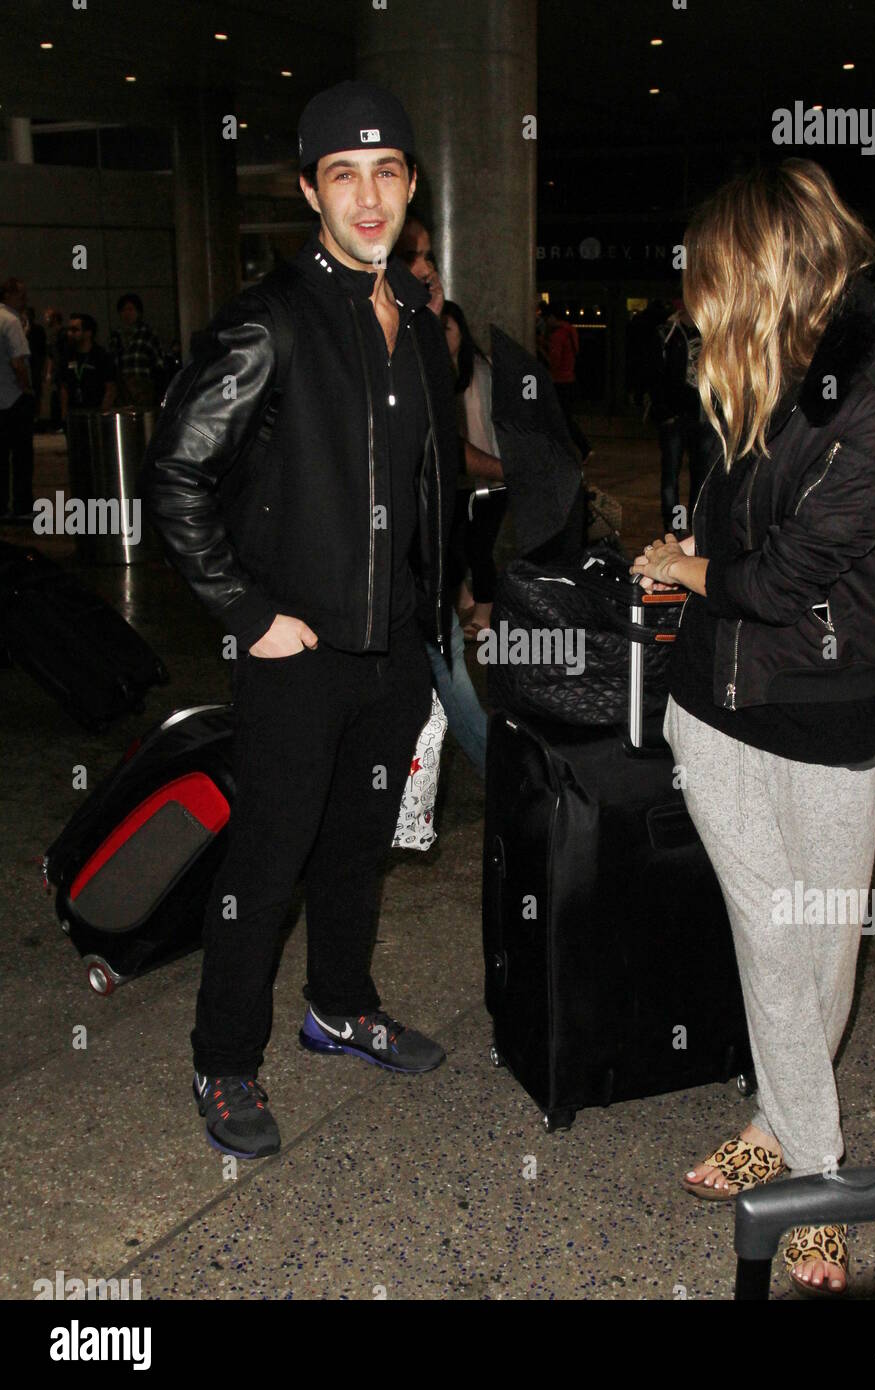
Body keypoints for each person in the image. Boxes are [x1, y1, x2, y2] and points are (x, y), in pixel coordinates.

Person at [632, 160, 875, 1295]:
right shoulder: (745, 376)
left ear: (769, 272)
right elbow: (740, 567)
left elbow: (786, 574)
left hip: (831, 707)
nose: (696, 301)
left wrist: (686, 563)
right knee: (770, 937)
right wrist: (688, 567)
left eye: (712, 277)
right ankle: (816, 1181)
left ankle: (773, 1119)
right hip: (713, 707)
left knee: (824, 949)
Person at [141, 80, 460, 1159]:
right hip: (299, 653)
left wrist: (443, 594)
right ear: (310, 191)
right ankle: (224, 1060)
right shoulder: (268, 319)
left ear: (411, 186)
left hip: (393, 650)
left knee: (356, 851)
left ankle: (339, 1007)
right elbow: (175, 473)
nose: (367, 198)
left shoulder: (416, 312)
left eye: (386, 174)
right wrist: (248, 611)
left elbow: (426, 476)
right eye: (343, 176)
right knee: (265, 867)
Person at [394, 220, 493, 777]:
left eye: (429, 256)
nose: (429, 270)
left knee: (445, 661)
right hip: (391, 562)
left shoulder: (419, 337)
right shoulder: (385, 342)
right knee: (439, 665)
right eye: (414, 257)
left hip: (421, 555)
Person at [442, 299, 507, 642]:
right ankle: (466, 597)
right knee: (455, 546)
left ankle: (486, 615)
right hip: (462, 481)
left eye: (446, 328)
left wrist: (499, 469)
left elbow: (482, 431)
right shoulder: (443, 372)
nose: (440, 335)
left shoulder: (480, 371)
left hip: (489, 481)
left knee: (479, 548)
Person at [650, 300, 713, 534]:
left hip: (703, 415)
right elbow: (656, 375)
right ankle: (675, 528)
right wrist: (664, 412)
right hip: (676, 416)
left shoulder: (709, 331)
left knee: (701, 475)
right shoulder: (668, 333)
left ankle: (695, 527)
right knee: (671, 475)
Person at [0, 277, 35, 522]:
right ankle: (22, 506)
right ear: (10, 295)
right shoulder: (11, 321)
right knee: (22, 456)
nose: (25, 300)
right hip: (13, 397)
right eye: (22, 295)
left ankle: (1, 507)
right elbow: (17, 361)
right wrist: (27, 388)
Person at [544, 303, 591, 461]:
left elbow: (554, 361)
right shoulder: (571, 331)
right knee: (565, 418)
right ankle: (579, 448)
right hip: (570, 378)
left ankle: (582, 447)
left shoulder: (557, 336)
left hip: (559, 381)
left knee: (561, 419)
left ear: (552, 317)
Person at [109, 293, 164, 411]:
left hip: (143, 387)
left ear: (138, 312)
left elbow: (158, 364)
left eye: (130, 309)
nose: (127, 314)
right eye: (123, 310)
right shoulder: (116, 336)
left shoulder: (148, 333)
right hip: (123, 390)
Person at [59, 314, 117, 418]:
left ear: (88, 333)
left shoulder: (101, 356)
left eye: (75, 330)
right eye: (69, 330)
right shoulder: (67, 356)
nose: (70, 333)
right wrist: (64, 413)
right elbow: (63, 387)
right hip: (73, 414)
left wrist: (102, 414)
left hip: (95, 413)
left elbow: (110, 388)